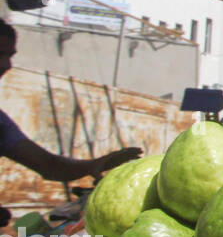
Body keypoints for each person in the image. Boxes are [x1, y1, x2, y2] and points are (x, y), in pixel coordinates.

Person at [0, 20, 141, 192]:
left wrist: (97, 163)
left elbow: (50, 166)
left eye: (9, 55)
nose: (6, 65)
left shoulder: (2, 125)